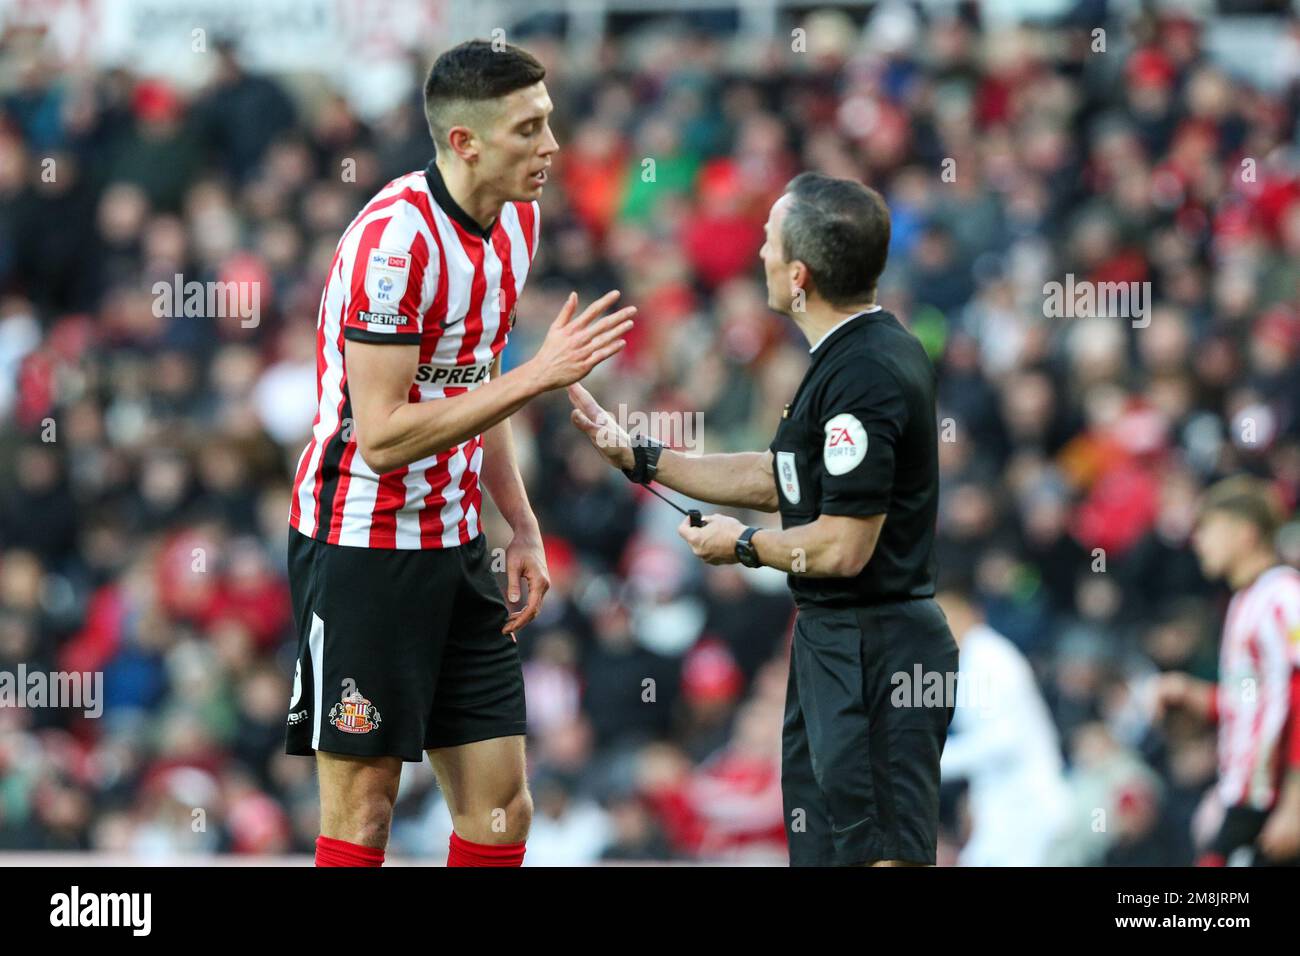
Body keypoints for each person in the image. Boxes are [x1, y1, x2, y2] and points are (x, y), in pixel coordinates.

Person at [284, 40, 636, 868]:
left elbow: (474, 379)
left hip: (457, 546)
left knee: (503, 809)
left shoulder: (519, 219)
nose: (552, 145)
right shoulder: (393, 249)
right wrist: (538, 375)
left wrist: (520, 522)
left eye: (548, 121)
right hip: (363, 543)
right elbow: (385, 433)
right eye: (529, 129)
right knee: (364, 810)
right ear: (465, 142)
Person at [569, 172, 956, 866]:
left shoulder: (863, 375)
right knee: (833, 848)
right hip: (838, 642)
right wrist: (642, 456)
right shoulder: (847, 358)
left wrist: (742, 548)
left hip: (873, 647)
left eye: (769, 242)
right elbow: (776, 477)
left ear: (800, 274)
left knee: (877, 850)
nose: (758, 256)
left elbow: (842, 545)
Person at [1154, 475, 1300, 866]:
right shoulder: (1242, 603)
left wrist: (1296, 802)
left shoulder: (1284, 596)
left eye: (1209, 528)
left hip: (1271, 798)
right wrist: (1192, 695)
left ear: (1245, 533)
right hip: (1245, 796)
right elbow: (1260, 702)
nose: (1198, 540)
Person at [936, 582, 1071, 866]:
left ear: (967, 614)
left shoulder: (990, 658)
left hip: (1026, 808)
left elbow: (1005, 739)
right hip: (1003, 809)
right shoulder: (970, 659)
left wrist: (935, 762)